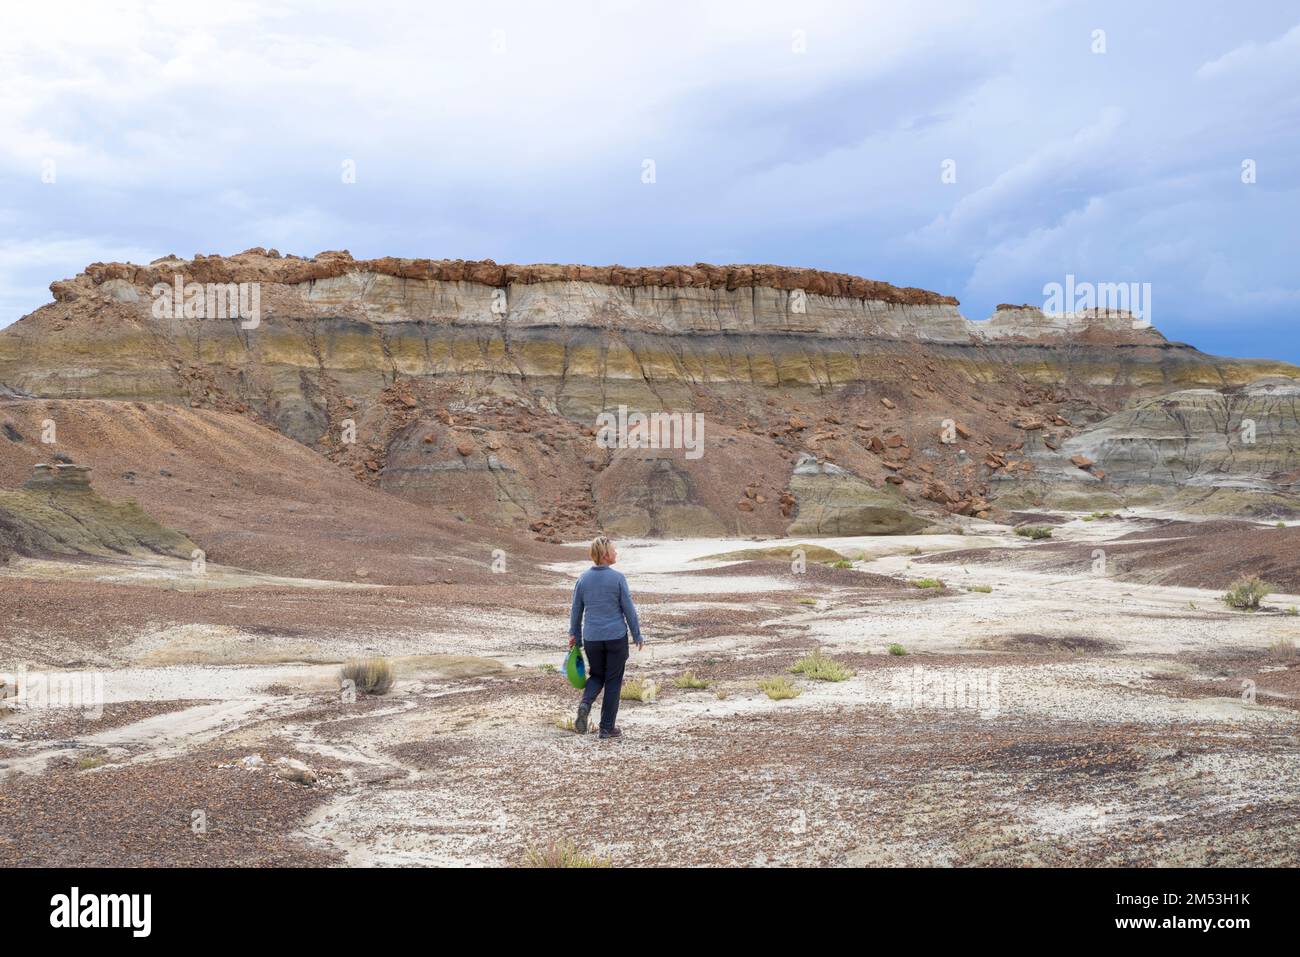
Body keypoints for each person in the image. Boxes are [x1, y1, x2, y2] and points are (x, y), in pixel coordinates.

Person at [568, 535, 642, 739]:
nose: (616, 552)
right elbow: (629, 609)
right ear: (605, 555)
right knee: (613, 681)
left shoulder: (583, 579)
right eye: (613, 550)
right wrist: (637, 634)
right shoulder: (617, 578)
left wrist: (574, 636)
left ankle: (585, 704)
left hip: (592, 638)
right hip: (615, 637)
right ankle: (606, 728)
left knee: (597, 675)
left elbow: (576, 610)